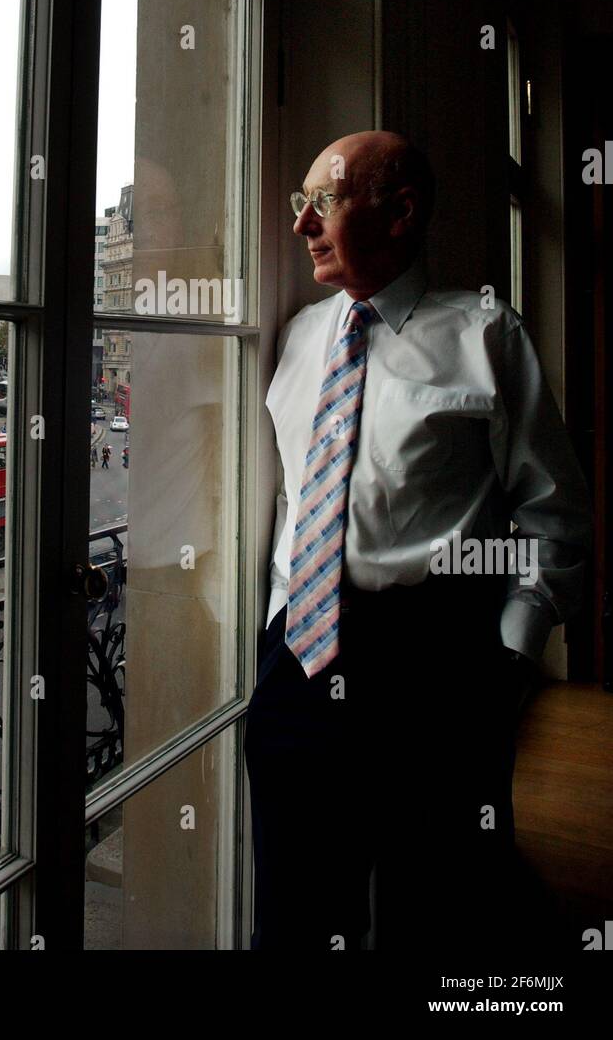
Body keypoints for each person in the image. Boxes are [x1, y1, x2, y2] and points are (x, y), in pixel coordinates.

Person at [244, 130, 593, 953]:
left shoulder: (484, 334)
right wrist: (280, 618)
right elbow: (300, 499)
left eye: (321, 202)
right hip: (298, 668)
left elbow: (555, 513)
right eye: (301, 205)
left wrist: (511, 657)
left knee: (435, 921)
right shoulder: (298, 338)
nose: (301, 226)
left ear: (400, 213)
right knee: (292, 926)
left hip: (435, 674)